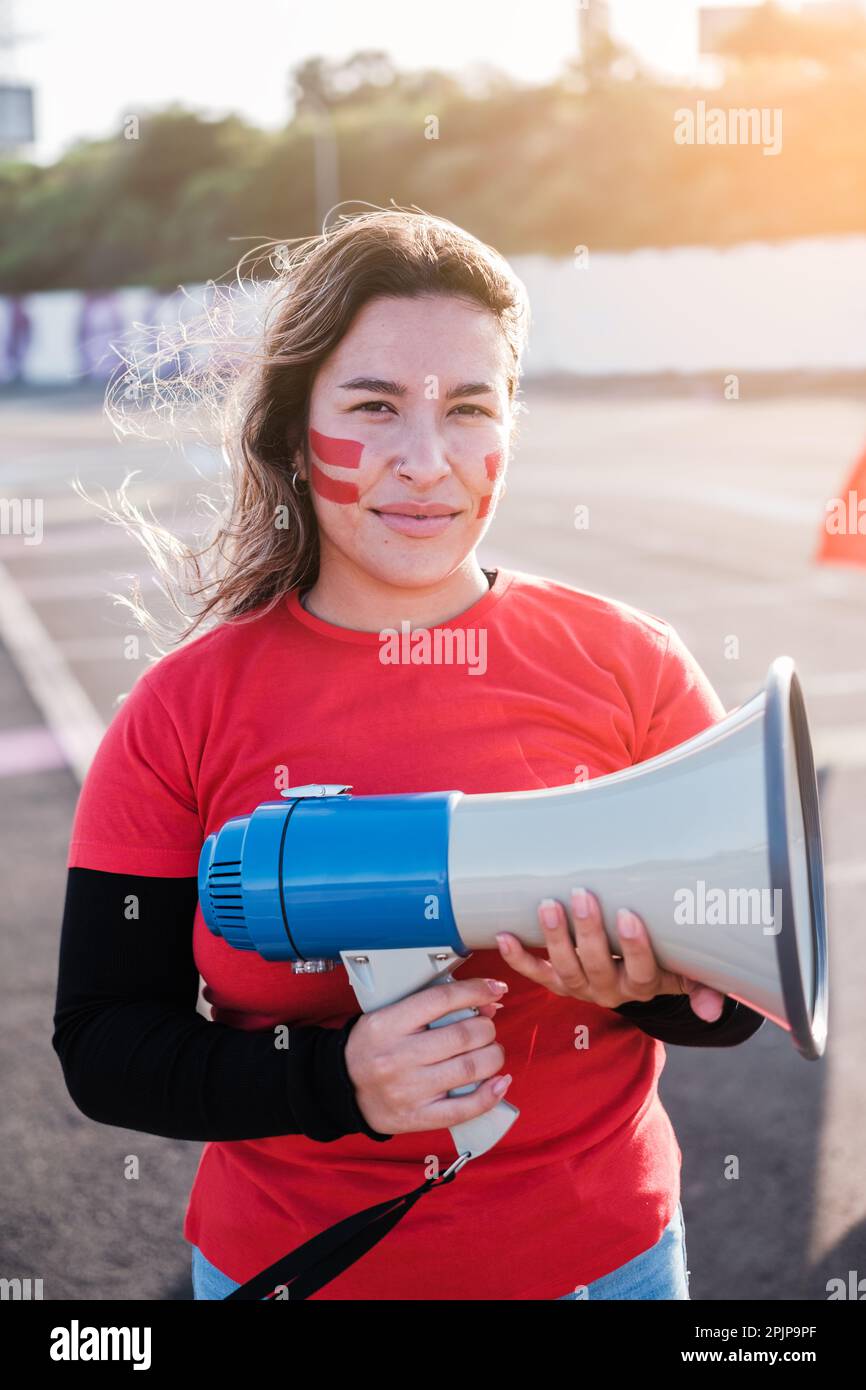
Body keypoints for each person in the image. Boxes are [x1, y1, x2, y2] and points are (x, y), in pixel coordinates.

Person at [53, 207, 765, 1303]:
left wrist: (645, 989)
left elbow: (736, 993)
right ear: (295, 430)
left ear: (508, 428)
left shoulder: (633, 665)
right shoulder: (178, 714)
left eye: (468, 408)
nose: (423, 461)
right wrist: (337, 1080)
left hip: (605, 1267)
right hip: (301, 1272)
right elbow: (104, 1044)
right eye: (374, 405)